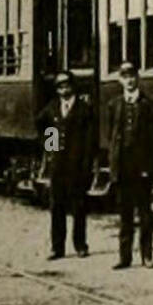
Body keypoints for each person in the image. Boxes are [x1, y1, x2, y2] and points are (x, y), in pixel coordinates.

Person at [105, 62, 153, 270]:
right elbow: (112, 135)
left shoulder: (148, 105)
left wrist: (148, 161)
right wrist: (114, 165)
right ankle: (125, 257)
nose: (129, 80)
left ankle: (147, 255)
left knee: (145, 214)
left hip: (142, 167)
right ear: (120, 80)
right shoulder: (115, 105)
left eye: (132, 76)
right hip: (123, 167)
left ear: (137, 78)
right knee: (125, 215)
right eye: (125, 76)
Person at [36, 72, 96, 260]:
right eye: (60, 87)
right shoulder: (52, 108)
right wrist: (50, 147)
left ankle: (80, 245)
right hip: (58, 166)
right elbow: (41, 124)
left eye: (67, 86)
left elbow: (89, 141)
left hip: (76, 165)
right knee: (57, 207)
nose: (64, 89)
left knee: (78, 206)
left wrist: (87, 163)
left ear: (73, 87)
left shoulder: (84, 109)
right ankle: (57, 247)